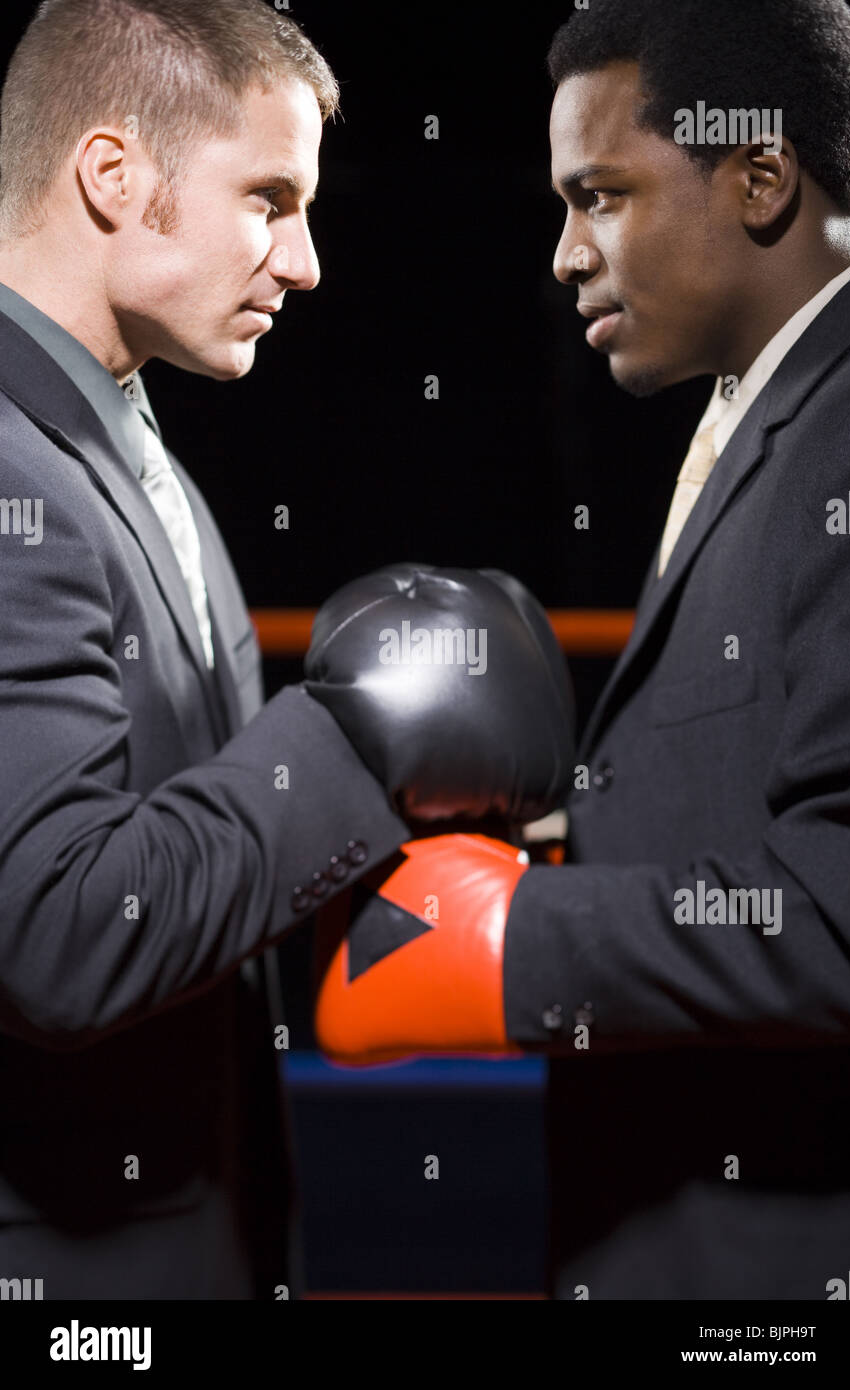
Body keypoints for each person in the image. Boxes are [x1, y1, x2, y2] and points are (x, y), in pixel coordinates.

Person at [0, 0, 572, 1300]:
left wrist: (437, 850)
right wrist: (363, 736)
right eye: (268, 197)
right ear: (112, 177)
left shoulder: (128, 455)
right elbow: (54, 929)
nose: (304, 260)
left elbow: (172, 845)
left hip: (198, 1221)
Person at [312, 0, 850, 1300]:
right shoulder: (772, 413)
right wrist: (558, 844)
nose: (565, 254)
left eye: (600, 196)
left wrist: (515, 936)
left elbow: (849, 901)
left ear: (760, 175)